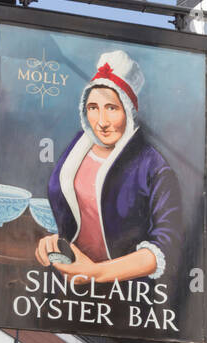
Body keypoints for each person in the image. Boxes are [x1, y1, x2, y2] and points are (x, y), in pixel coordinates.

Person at [34, 50, 183, 286]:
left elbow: (166, 246)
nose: (101, 122)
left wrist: (97, 273)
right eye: (93, 107)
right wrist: (54, 242)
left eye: (111, 108)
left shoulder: (153, 167)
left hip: (127, 296)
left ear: (129, 111)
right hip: (69, 285)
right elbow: (72, 210)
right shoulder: (78, 147)